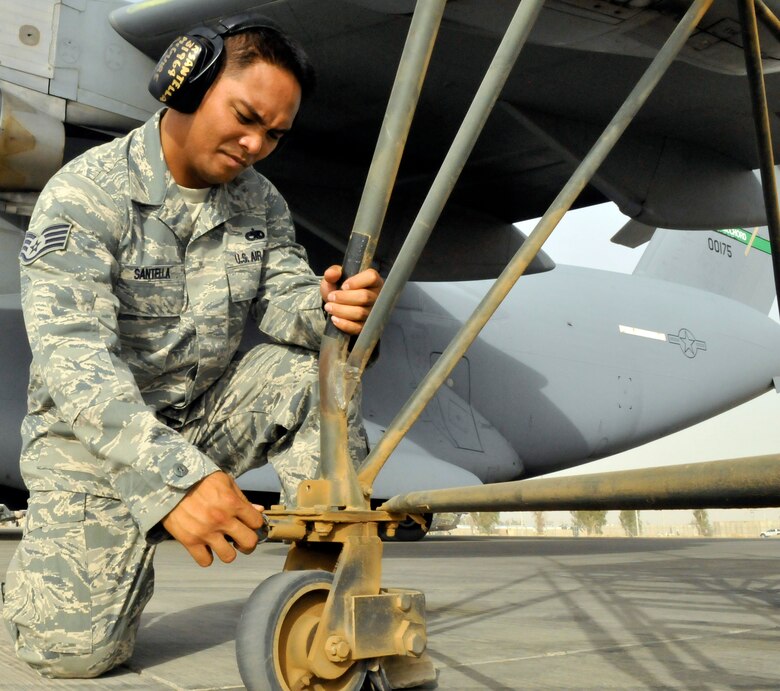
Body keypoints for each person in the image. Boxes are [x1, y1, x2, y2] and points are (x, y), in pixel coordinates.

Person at [2, 15, 382, 679]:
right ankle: (57, 578)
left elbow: (288, 301)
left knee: (313, 375)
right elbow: (75, 365)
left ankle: (332, 586)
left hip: (201, 418)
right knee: (72, 656)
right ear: (186, 84)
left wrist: (335, 311)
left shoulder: (259, 203)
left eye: (274, 134)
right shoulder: (86, 194)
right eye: (245, 117)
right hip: (91, 445)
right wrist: (176, 481)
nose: (256, 143)